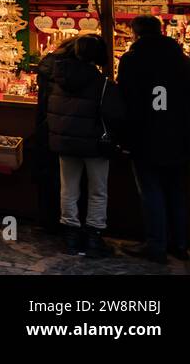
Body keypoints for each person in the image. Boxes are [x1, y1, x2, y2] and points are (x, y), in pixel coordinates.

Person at [117, 15, 190, 263]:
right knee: (176, 190)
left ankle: (156, 245)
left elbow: (126, 101)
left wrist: (127, 135)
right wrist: (185, 129)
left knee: (151, 190)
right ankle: (180, 244)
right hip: (177, 137)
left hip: (145, 137)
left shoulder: (132, 60)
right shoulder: (183, 61)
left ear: (135, 33)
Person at [46, 34, 122, 258]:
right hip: (95, 144)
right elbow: (114, 115)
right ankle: (93, 236)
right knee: (98, 191)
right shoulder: (103, 83)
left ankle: (70, 235)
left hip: (66, 142)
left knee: (68, 189)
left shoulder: (59, 79)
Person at [33, 37, 75, 233]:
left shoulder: (46, 69)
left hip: (46, 131)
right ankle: (71, 227)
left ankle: (47, 221)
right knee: (70, 182)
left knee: (48, 177)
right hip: (71, 136)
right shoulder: (79, 74)